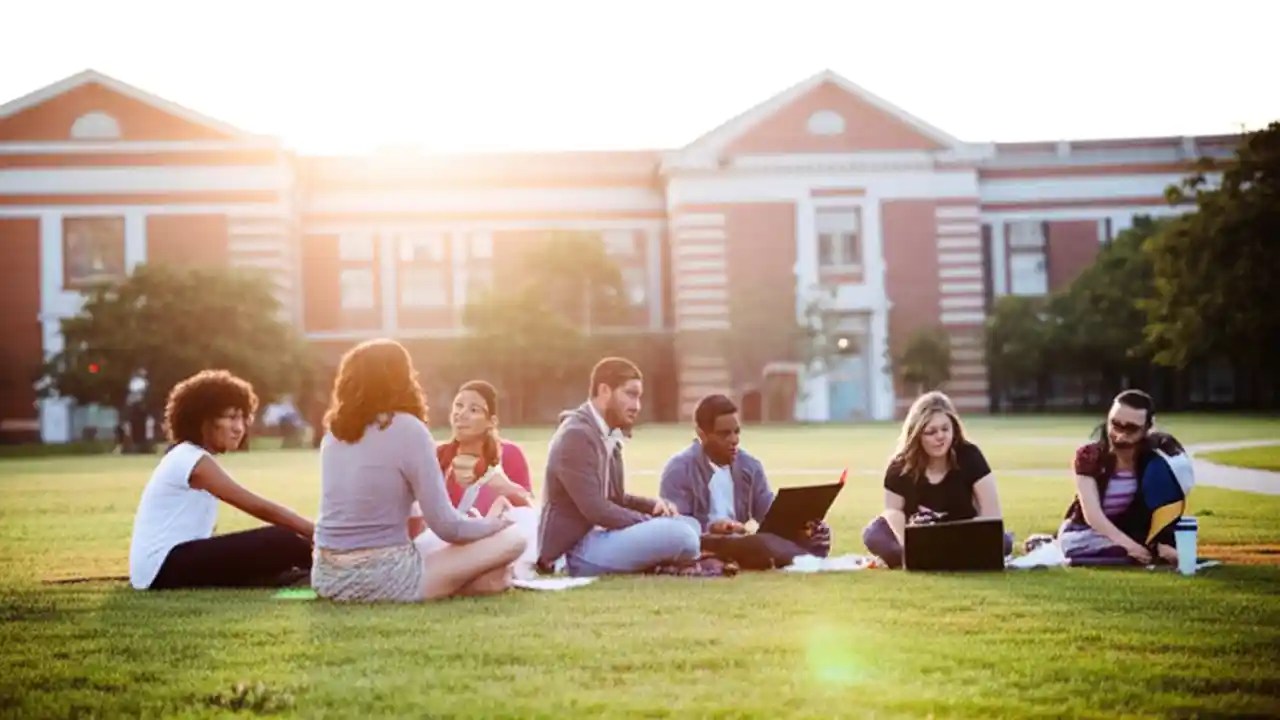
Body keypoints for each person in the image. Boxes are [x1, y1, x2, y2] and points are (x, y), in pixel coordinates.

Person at [311, 339, 526, 602]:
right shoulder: (408, 429)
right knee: (516, 537)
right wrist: (496, 524)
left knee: (465, 526)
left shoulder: (334, 435)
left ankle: (485, 580)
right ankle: (486, 581)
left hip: (326, 576)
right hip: (384, 578)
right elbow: (448, 528)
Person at [128, 370, 314, 590]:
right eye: (231, 417)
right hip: (164, 567)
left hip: (168, 566)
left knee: (275, 545)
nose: (239, 428)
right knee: (282, 539)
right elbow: (254, 505)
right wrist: (315, 531)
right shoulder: (190, 459)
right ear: (202, 419)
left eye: (243, 418)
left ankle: (301, 571)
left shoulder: (190, 456)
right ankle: (327, 566)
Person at [537, 357, 701, 576]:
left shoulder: (607, 435)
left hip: (601, 537)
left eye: (639, 397)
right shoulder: (576, 435)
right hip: (574, 552)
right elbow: (596, 509)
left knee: (689, 524)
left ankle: (665, 554)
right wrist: (648, 522)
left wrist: (654, 506)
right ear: (604, 391)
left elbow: (616, 498)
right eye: (630, 394)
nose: (637, 406)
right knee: (682, 535)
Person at [660, 393, 831, 569]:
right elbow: (678, 528)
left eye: (736, 432)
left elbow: (769, 514)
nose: (734, 440)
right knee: (760, 544)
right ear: (702, 435)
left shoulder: (750, 466)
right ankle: (805, 558)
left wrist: (802, 526)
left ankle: (807, 553)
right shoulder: (679, 469)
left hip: (742, 542)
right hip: (704, 543)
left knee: (810, 535)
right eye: (724, 434)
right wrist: (713, 527)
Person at [862, 391, 1010, 568]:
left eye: (945, 429)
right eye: (931, 432)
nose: (940, 437)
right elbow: (893, 512)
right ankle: (922, 557)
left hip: (963, 533)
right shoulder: (899, 467)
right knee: (873, 534)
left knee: (1003, 542)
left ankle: (938, 557)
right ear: (917, 435)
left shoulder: (970, 456)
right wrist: (909, 547)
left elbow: (991, 514)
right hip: (915, 535)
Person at [408, 380, 539, 576]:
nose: (461, 414)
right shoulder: (437, 456)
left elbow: (527, 511)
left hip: (496, 540)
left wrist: (502, 486)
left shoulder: (510, 454)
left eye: (474, 409)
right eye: (458, 406)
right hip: (450, 544)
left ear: (491, 422)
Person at [1057, 389, 1191, 565]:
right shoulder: (1089, 456)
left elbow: (1167, 503)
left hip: (1130, 529)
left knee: (1164, 551)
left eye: (1131, 429)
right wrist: (1130, 546)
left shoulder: (1155, 460)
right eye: (1115, 424)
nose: (1120, 435)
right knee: (1075, 546)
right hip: (1086, 530)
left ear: (1147, 428)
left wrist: (1161, 540)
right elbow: (1093, 516)